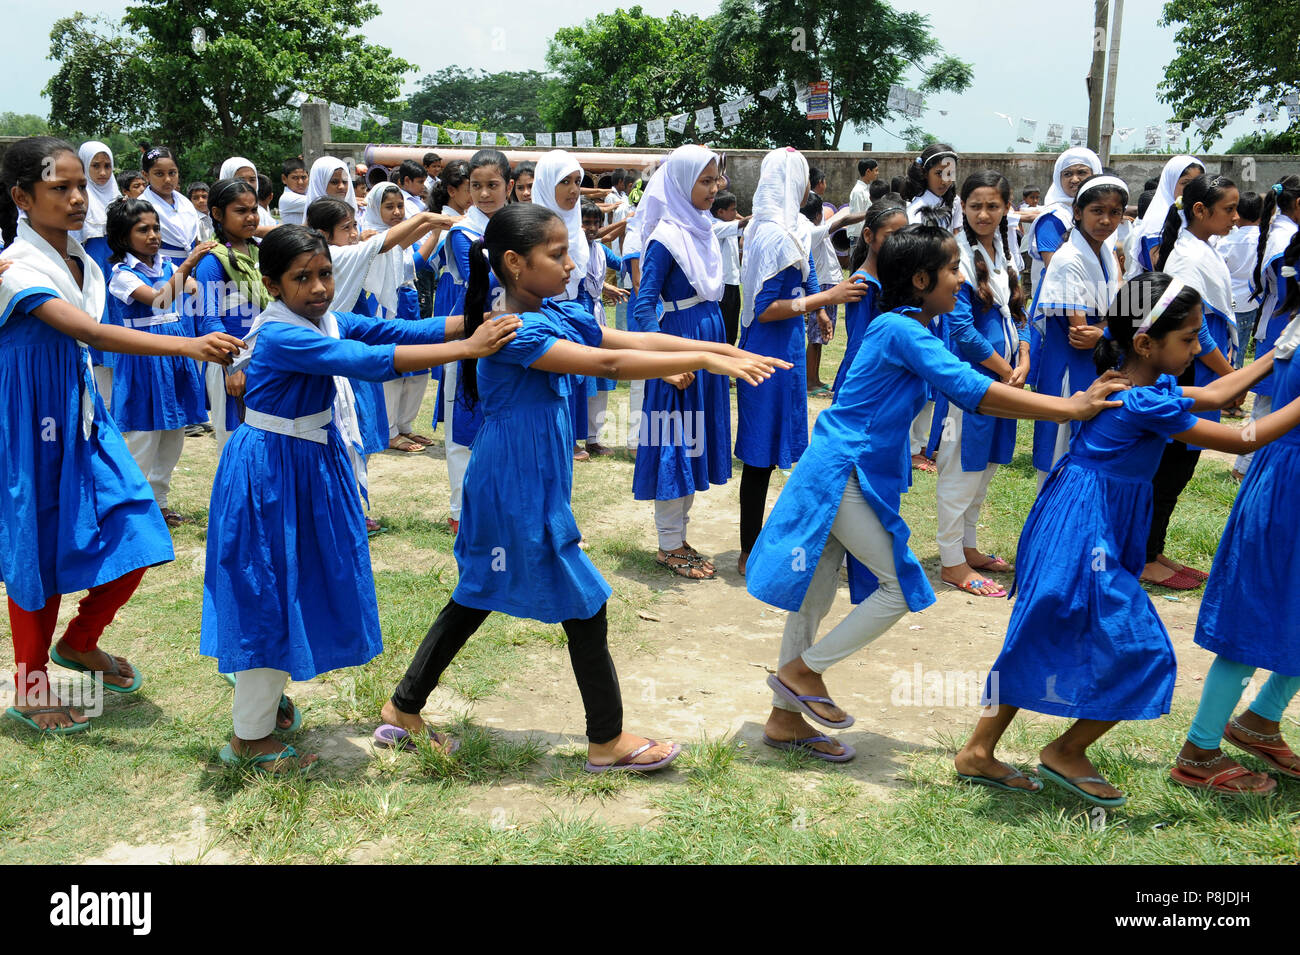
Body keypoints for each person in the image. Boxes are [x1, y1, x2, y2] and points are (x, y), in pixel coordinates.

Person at [378, 202, 787, 767]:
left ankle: (404, 708)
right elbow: (608, 366)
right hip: (509, 481)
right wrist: (707, 359)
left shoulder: (552, 312)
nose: (571, 264)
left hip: (529, 477)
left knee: (478, 591)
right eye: (558, 253)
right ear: (516, 264)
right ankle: (606, 740)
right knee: (583, 603)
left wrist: (720, 349)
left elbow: (624, 342)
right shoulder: (512, 329)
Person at [747, 223, 1127, 762]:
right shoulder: (902, 332)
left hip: (848, 468)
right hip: (842, 471)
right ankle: (802, 673)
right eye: (952, 271)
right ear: (921, 279)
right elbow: (973, 392)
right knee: (900, 587)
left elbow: (971, 364)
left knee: (815, 594)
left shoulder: (922, 326)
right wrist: (1071, 407)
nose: (959, 280)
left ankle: (786, 718)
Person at [956, 272, 1300, 805]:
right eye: (1189, 339)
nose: (1197, 348)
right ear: (1145, 342)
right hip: (1084, 529)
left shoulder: (1134, 385)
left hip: (1080, 520)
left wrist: (1277, 352)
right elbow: (1241, 436)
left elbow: (1217, 392)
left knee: (1042, 631)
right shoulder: (1144, 404)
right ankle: (1064, 751)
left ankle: (980, 750)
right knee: (1144, 650)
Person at [202, 225, 519, 772]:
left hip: (305, 463)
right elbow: (364, 360)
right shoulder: (283, 335)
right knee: (269, 591)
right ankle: (248, 740)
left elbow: (396, 328)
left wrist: (479, 321)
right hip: (271, 472)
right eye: (302, 278)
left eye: (324, 273)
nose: (320, 286)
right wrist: (467, 348)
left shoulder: (321, 319)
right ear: (274, 285)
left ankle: (264, 705)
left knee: (292, 584)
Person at [0, 136, 240, 733]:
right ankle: (30, 689)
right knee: (38, 548)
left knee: (138, 527)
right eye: (61, 188)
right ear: (22, 198)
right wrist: (188, 344)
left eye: (82, 185)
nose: (79, 197)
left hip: (79, 412)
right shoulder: (16, 268)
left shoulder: (82, 258)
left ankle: (80, 643)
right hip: (32, 421)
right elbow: (90, 331)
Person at [1173, 268, 1300, 794]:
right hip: (1288, 487)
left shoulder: (1293, 327)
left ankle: (1261, 718)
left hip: (1281, 474)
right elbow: (1236, 423)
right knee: (1257, 614)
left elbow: (1233, 387)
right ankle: (1199, 750)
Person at [736, 148, 866, 575]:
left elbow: (807, 262)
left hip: (789, 345)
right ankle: (748, 549)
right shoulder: (769, 232)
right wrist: (825, 298)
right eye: (805, 178)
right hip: (766, 347)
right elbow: (764, 308)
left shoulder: (792, 225)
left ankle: (780, 540)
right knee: (760, 452)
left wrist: (819, 310)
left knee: (786, 442)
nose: (810, 186)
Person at [631, 144, 737, 577]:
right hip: (678, 351)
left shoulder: (704, 228)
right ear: (680, 182)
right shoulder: (666, 236)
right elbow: (642, 309)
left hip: (706, 342)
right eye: (705, 180)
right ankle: (669, 544)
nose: (714, 188)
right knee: (675, 441)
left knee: (695, 443)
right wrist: (664, 364)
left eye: (716, 180)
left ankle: (680, 537)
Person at [930, 171, 1029, 598]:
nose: (984, 214)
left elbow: (1021, 313)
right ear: (963, 209)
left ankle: (967, 546)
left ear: (1006, 207)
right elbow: (963, 332)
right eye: (975, 206)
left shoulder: (1006, 252)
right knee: (960, 468)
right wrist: (1006, 372)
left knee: (984, 468)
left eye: (992, 205)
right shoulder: (958, 259)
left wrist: (1022, 356)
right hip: (972, 385)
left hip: (1002, 380)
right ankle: (951, 561)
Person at [1144, 175, 1241, 588]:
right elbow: (1195, 331)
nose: (1236, 218)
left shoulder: (1202, 248)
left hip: (1204, 373)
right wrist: (1230, 376)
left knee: (1178, 471)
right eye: (1229, 209)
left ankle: (1154, 549)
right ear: (1199, 211)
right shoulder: (1185, 257)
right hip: (1191, 373)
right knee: (1168, 471)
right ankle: (1146, 556)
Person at [104, 198, 213, 526]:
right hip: (145, 360)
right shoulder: (122, 274)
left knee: (174, 433)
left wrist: (188, 279)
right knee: (144, 435)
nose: (153, 235)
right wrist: (188, 266)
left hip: (175, 357)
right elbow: (159, 299)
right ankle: (130, 508)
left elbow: (189, 290)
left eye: (155, 228)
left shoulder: (165, 266)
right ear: (124, 237)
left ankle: (159, 503)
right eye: (143, 230)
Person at [1027, 174, 1128, 485]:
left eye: (1114, 213)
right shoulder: (1070, 258)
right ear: (1078, 212)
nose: (1106, 220)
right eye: (1097, 211)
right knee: (1061, 455)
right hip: (1070, 368)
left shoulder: (1107, 254)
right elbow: (1082, 335)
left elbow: (1133, 308)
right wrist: (1118, 323)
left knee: (1087, 453)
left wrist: (1111, 325)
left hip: (1098, 365)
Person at [442, 149, 513, 529]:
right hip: (472, 332)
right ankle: (460, 511)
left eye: (493, 185)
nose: (484, 194)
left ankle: (497, 503)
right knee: (465, 418)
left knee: (503, 419)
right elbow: (491, 277)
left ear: (510, 186)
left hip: (512, 333)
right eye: (476, 186)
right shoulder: (462, 232)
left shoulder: (515, 226)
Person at [363, 181, 441, 452]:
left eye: (400, 206)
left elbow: (412, 266)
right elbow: (406, 262)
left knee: (417, 368)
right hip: (386, 305)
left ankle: (406, 425)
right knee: (393, 367)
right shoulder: (371, 235)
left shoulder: (400, 236)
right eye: (389, 206)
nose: (397, 212)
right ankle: (390, 429)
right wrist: (432, 229)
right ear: (375, 207)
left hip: (408, 299)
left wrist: (433, 232)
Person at [193, 178, 266, 452]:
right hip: (230, 363)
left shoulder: (263, 253)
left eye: (254, 209)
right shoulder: (213, 261)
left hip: (266, 359)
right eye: (240, 211)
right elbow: (210, 321)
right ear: (217, 213)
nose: (250, 217)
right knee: (236, 448)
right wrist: (233, 367)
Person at [1234, 176, 1300, 478]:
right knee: (1271, 402)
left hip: (1275, 320)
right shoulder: (1287, 239)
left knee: (1271, 401)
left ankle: (1249, 466)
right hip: (1282, 324)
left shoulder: (1276, 232)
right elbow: (1289, 292)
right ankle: (1247, 467)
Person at [831, 200, 907, 397]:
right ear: (868, 235)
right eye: (891, 236)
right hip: (865, 382)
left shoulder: (894, 279)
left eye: (903, 236)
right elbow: (858, 343)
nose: (899, 243)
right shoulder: (863, 284)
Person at [803, 197, 867, 396]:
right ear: (818, 215)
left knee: (821, 337)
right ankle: (810, 381)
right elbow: (843, 221)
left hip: (827, 282)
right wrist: (868, 214)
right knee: (815, 336)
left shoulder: (813, 226)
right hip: (822, 284)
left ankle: (815, 378)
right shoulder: (811, 231)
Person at [73, 141, 121, 404]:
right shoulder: (80, 199)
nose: (102, 173)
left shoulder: (120, 198)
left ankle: (121, 402)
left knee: (120, 327)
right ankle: (101, 402)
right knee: (99, 327)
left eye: (107, 166)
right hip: (93, 270)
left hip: (118, 271)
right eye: (95, 166)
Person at [1026, 147, 1101, 288]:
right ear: (1058, 179)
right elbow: (1056, 274)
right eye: (1067, 174)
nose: (1074, 179)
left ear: (1095, 174)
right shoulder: (1053, 218)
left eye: (1081, 172)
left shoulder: (1101, 216)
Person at [1217, 190, 1262, 379]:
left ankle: (1226, 391)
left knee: (1222, 347)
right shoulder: (1265, 239)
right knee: (1240, 348)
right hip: (1251, 301)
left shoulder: (1226, 241)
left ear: (1237, 213)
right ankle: (1234, 393)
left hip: (1227, 301)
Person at [1134, 154, 1204, 271]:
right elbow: (1158, 267)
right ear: (1170, 183)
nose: (1192, 189)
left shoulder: (1200, 216)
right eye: (1185, 183)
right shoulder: (1157, 220)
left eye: (1197, 183)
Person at [139, 147, 201, 268]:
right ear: (146, 175)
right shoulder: (142, 206)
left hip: (193, 266)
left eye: (172, 173)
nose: (167, 180)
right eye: (159, 174)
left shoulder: (185, 203)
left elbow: (195, 240)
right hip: (162, 267)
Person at [710, 190, 749, 346]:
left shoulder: (728, 225)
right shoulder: (714, 226)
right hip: (722, 285)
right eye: (733, 209)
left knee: (732, 328)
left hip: (733, 283)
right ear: (720, 212)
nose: (736, 213)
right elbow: (742, 223)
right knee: (723, 328)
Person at [903, 143, 962, 232]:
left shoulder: (954, 201)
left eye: (950, 174)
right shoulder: (916, 212)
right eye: (939, 174)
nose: (945, 181)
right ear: (925, 173)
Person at [845, 158, 879, 243]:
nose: (877, 173)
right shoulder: (858, 191)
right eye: (876, 170)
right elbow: (858, 215)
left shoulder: (867, 189)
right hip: (858, 236)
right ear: (868, 171)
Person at [278, 158, 310, 226]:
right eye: (295, 178)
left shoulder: (307, 194)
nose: (300, 182)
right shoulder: (287, 198)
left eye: (304, 177)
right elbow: (321, 203)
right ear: (284, 179)